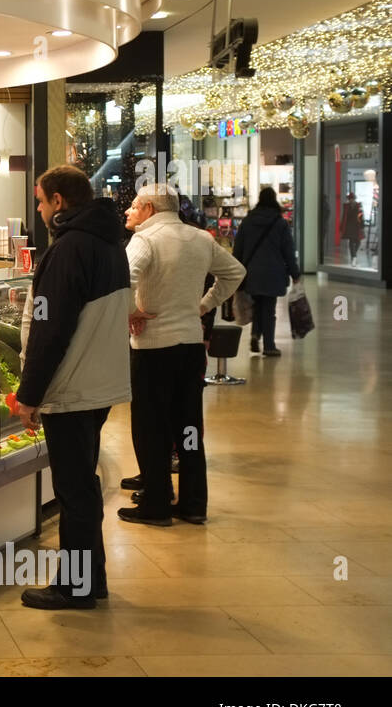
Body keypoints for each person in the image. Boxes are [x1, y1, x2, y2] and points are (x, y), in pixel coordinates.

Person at [16, 165, 131, 610]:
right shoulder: (109, 243)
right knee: (82, 485)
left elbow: (50, 331)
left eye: (41, 202)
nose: (40, 210)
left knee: (74, 491)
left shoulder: (68, 250)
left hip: (73, 387)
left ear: (58, 201)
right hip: (99, 384)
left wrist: (30, 394)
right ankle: (92, 579)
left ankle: (75, 587)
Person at [117, 185, 244, 527]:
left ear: (148, 208)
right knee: (188, 426)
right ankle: (193, 503)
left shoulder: (145, 240)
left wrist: (132, 312)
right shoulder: (200, 238)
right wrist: (201, 306)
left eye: (133, 205)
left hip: (154, 348)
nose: (130, 210)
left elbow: (124, 276)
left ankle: (156, 504)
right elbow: (235, 273)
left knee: (150, 426)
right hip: (190, 346)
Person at [232, 187, 300, 357]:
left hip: (252, 273)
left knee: (257, 306)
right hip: (274, 273)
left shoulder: (247, 221)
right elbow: (288, 252)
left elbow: (238, 249)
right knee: (268, 309)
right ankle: (269, 345)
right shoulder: (280, 223)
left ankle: (255, 335)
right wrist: (295, 274)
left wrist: (235, 273)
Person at [340, 192, 365, 262]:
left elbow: (361, 215)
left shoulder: (358, 205)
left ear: (354, 199)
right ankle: (353, 256)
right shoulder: (346, 206)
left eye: (352, 199)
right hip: (349, 225)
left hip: (357, 225)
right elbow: (344, 216)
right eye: (350, 199)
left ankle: (354, 254)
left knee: (358, 241)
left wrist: (362, 224)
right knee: (351, 241)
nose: (351, 200)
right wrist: (342, 225)